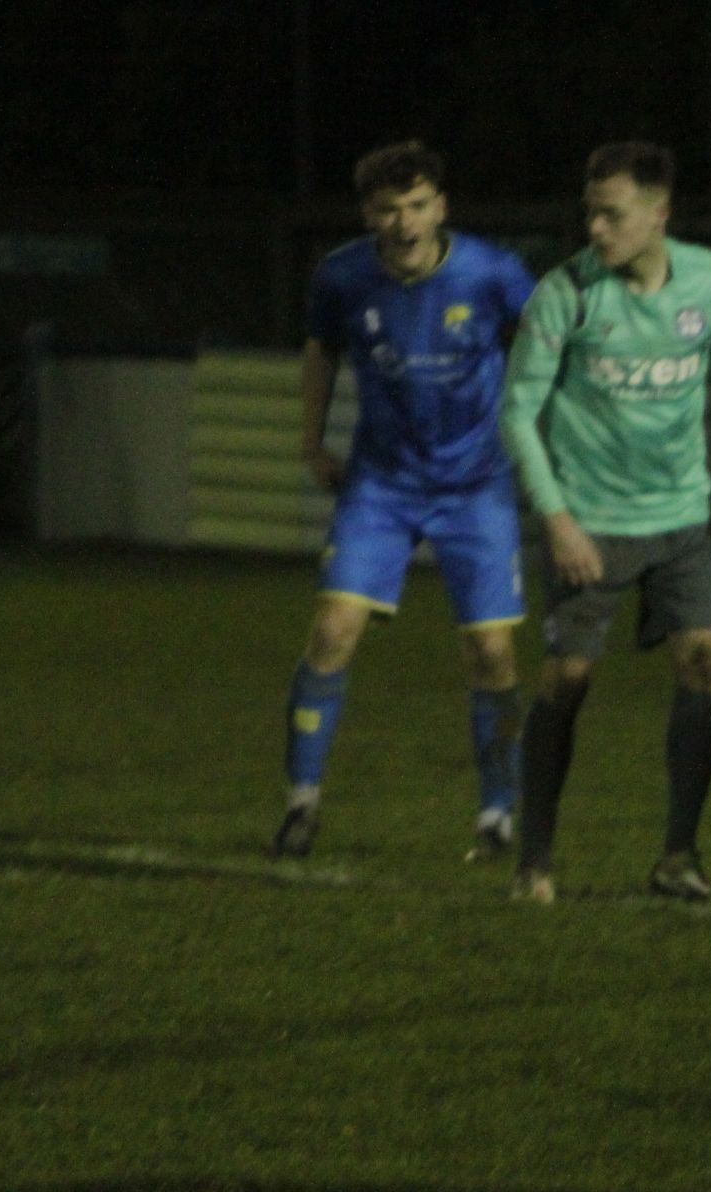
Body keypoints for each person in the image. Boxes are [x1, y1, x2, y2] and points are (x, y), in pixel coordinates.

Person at [499, 141, 711, 904]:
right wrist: (558, 520)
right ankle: (535, 861)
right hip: (592, 525)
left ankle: (679, 854)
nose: (596, 228)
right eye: (589, 212)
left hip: (681, 521)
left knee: (705, 664)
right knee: (566, 681)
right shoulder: (567, 294)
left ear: (658, 213)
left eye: (611, 214)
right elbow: (517, 412)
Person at [272, 141, 542, 862]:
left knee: (490, 648)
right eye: (389, 209)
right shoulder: (342, 276)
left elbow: (546, 340)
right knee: (332, 631)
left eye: (418, 205)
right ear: (369, 215)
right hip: (382, 483)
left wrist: (541, 431)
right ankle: (301, 805)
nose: (405, 222)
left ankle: (497, 815)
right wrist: (311, 441)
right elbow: (320, 349)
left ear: (441, 207)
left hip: (475, 484)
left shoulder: (493, 272)